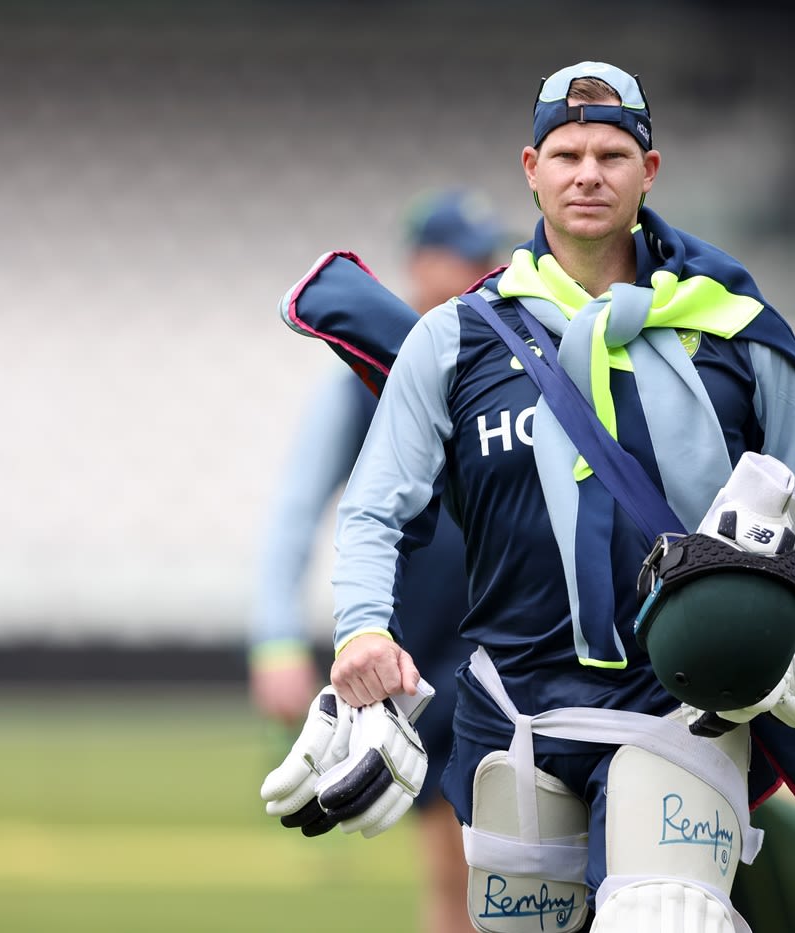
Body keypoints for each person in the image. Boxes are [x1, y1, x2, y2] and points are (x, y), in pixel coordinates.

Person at [261, 61, 795, 933]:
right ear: (533, 169)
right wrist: (363, 631)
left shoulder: (738, 331)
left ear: (649, 170)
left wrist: (777, 568)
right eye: (567, 155)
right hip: (514, 713)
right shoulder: (454, 339)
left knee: (665, 918)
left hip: (682, 706)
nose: (588, 174)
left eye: (611, 154)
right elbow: (375, 508)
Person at [248, 188, 503, 933]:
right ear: (419, 265)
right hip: (424, 659)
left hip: (507, 642)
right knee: (462, 881)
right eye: (460, 257)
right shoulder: (356, 391)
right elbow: (294, 514)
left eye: (486, 258)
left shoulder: (508, 371)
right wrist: (276, 640)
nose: (477, 272)